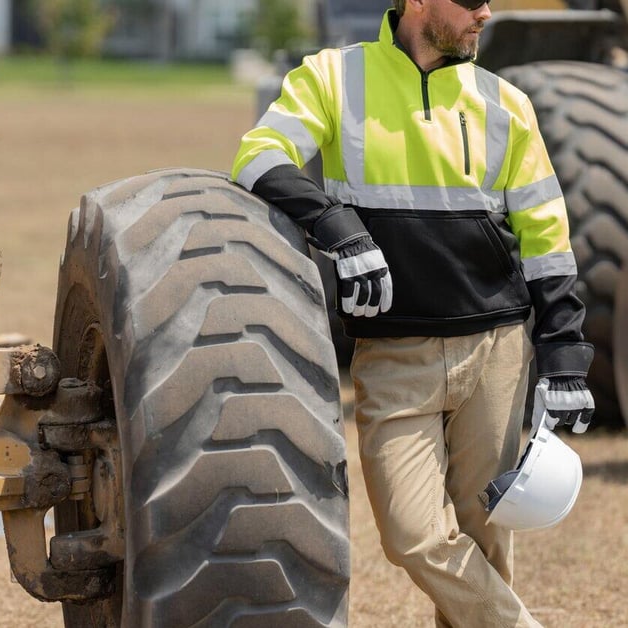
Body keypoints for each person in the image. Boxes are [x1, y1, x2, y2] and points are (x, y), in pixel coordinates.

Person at [232, 0, 595, 625]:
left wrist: (563, 354)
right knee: (411, 534)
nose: (487, 12)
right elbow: (259, 157)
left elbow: (546, 238)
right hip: (394, 354)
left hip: (497, 351)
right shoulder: (334, 77)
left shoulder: (506, 103)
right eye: (471, 0)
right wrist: (337, 226)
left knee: (486, 535)